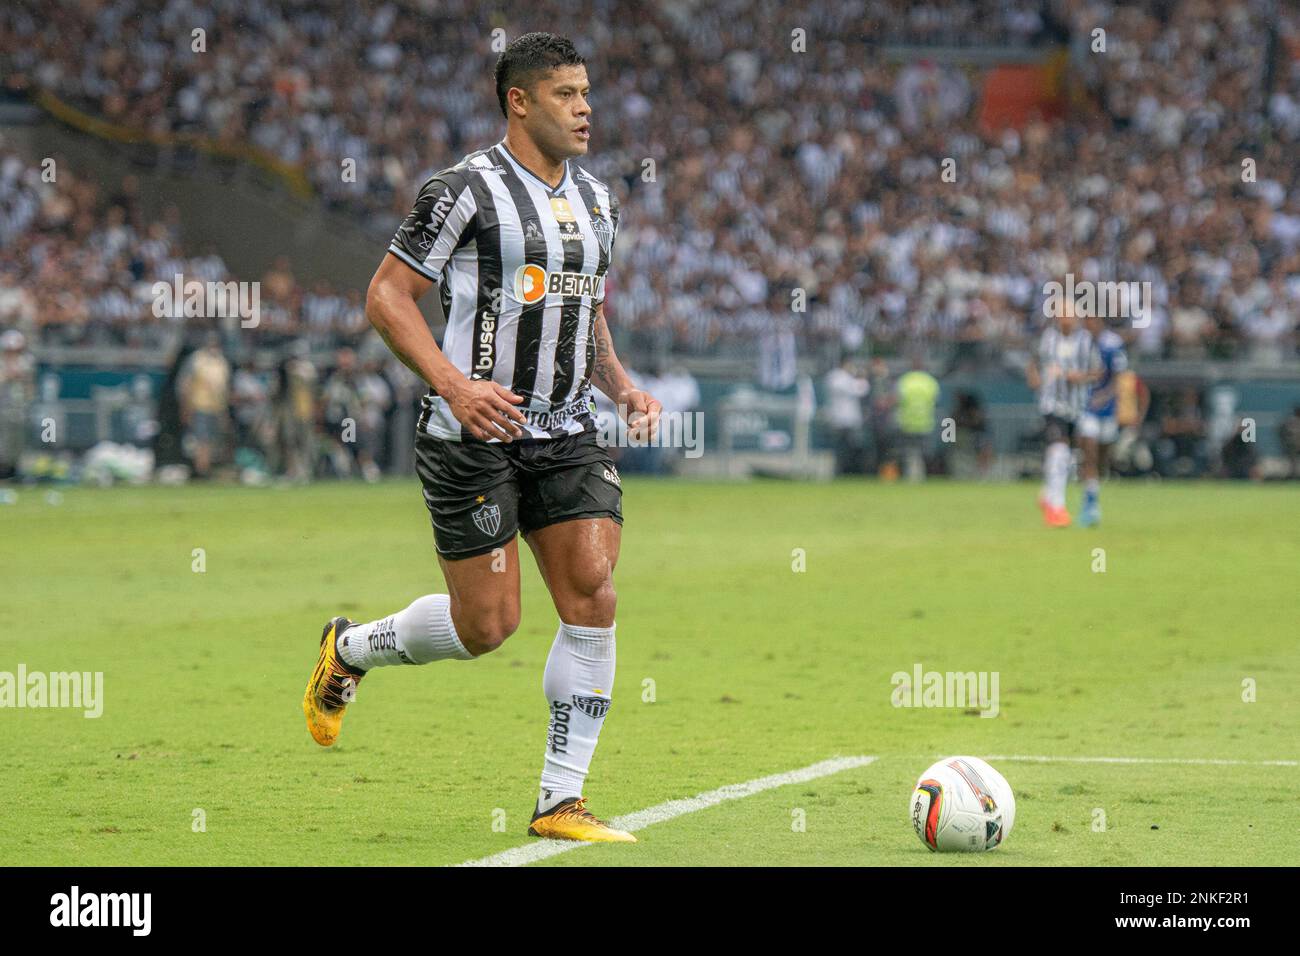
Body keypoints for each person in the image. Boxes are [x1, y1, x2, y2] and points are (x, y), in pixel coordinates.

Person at [302, 33, 661, 844]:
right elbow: (388, 297)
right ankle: (351, 648)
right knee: (486, 626)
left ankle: (559, 800)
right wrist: (455, 386)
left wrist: (624, 385)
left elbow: (585, 309)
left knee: (593, 592)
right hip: (472, 433)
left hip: (567, 427)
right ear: (520, 101)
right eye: (567, 94)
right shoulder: (462, 189)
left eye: (588, 92)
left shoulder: (598, 201)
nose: (585, 108)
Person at [1026, 302, 1091, 527]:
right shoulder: (1047, 339)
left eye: (1069, 313)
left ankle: (1047, 494)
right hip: (1052, 405)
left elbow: (1097, 371)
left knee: (1070, 458)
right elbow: (1032, 362)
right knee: (1058, 449)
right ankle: (1057, 507)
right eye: (1062, 313)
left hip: (1077, 407)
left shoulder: (1086, 341)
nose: (1065, 318)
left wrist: (1079, 377)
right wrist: (1034, 377)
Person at [1076, 315, 1128, 527]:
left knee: (1104, 454)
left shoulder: (1112, 344)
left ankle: (1093, 486)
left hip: (1107, 409)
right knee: (1089, 449)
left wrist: (1105, 396)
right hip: (1086, 407)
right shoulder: (1079, 343)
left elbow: (1119, 377)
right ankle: (1090, 499)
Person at [895, 355, 939, 482]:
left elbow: (897, 399)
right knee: (925, 452)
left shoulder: (904, 380)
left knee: (907, 451)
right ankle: (924, 476)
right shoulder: (930, 381)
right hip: (925, 422)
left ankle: (908, 476)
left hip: (907, 422)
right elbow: (935, 401)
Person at [824, 357, 869, 475]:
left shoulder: (838, 377)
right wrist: (861, 376)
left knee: (847, 448)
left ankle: (846, 470)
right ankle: (842, 471)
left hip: (845, 419)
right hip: (842, 419)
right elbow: (861, 389)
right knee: (842, 448)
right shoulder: (838, 378)